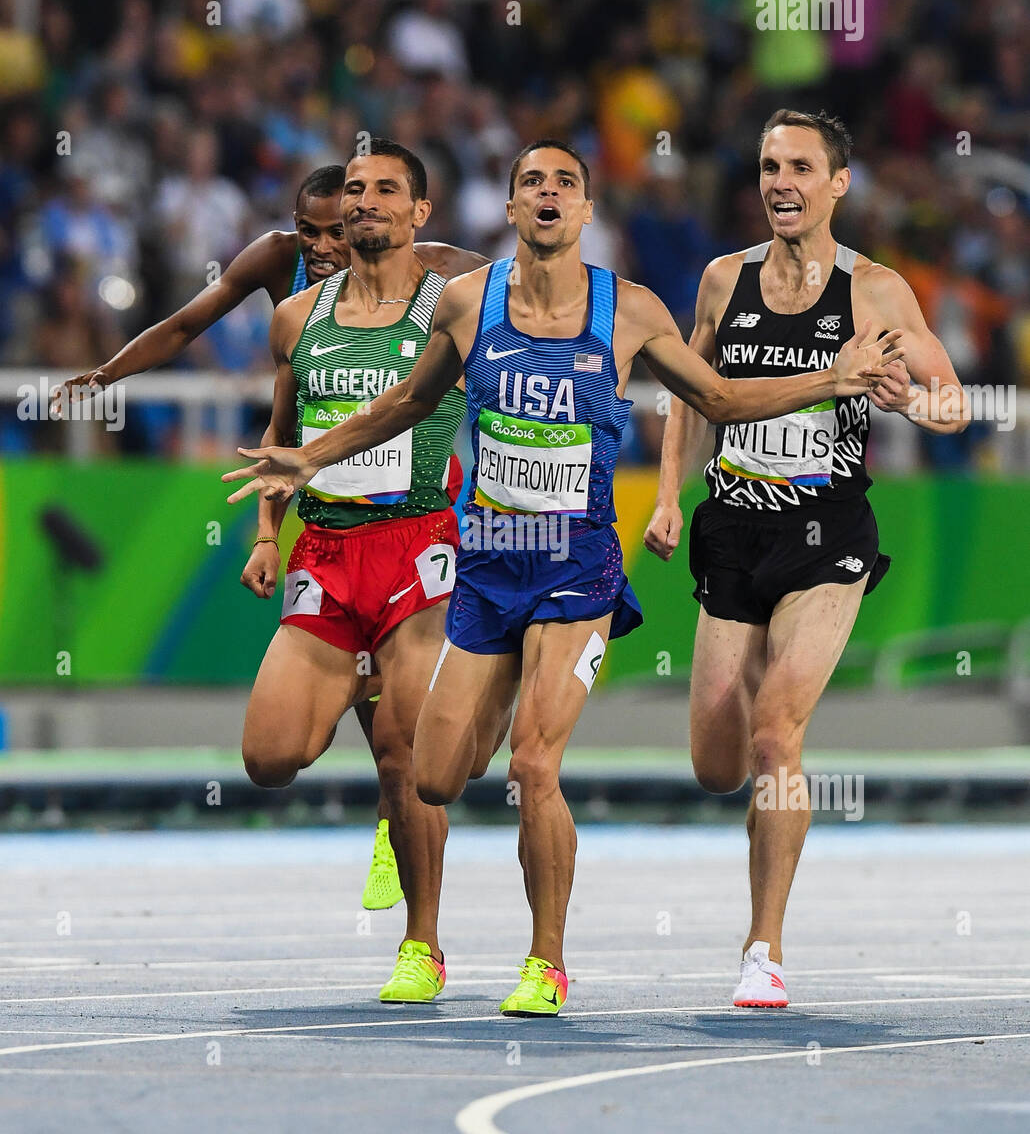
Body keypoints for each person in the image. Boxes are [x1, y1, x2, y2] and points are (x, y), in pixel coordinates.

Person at [223, 139, 902, 1016]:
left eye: (565, 184)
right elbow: (406, 405)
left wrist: (831, 379)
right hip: (488, 570)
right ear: (509, 210)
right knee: (432, 777)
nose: (547, 194)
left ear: (586, 213)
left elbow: (723, 403)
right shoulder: (468, 304)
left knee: (533, 769)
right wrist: (308, 458)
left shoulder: (632, 311)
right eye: (530, 183)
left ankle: (545, 960)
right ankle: (495, 700)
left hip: (577, 570)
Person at [55, 161, 485, 911]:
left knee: (400, 750)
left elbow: (531, 301)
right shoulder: (281, 281)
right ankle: (400, 731)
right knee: (279, 753)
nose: (326, 244)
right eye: (316, 229)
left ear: (414, 212)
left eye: (351, 216)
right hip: (325, 517)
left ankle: (412, 869)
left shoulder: (447, 279)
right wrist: (111, 372)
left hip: (414, 517)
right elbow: (195, 330)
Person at [643, 110, 969, 1008]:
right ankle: (755, 757)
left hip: (826, 533)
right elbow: (688, 393)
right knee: (717, 761)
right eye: (768, 167)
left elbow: (954, 403)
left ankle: (764, 947)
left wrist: (908, 402)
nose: (780, 182)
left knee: (778, 730)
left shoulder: (876, 293)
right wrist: (671, 494)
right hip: (733, 524)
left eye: (799, 168)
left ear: (838, 184)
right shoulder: (722, 281)